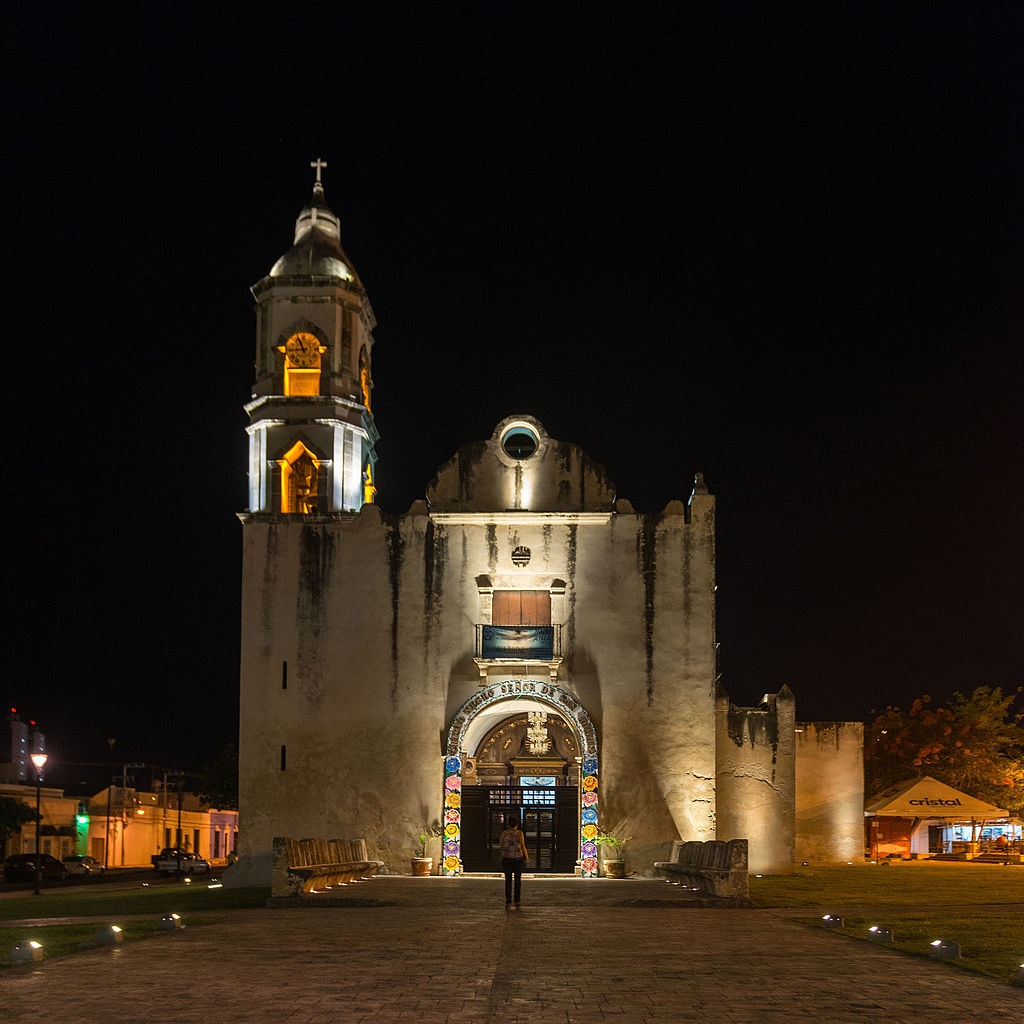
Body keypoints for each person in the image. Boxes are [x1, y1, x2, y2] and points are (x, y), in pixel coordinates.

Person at [499, 814, 529, 908]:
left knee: (508, 881)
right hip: (518, 859)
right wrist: (526, 856)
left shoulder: (504, 833)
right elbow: (523, 846)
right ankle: (517, 900)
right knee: (517, 880)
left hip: (507, 858)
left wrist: (501, 856)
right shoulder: (520, 833)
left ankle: (508, 901)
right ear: (517, 824)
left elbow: (501, 846)